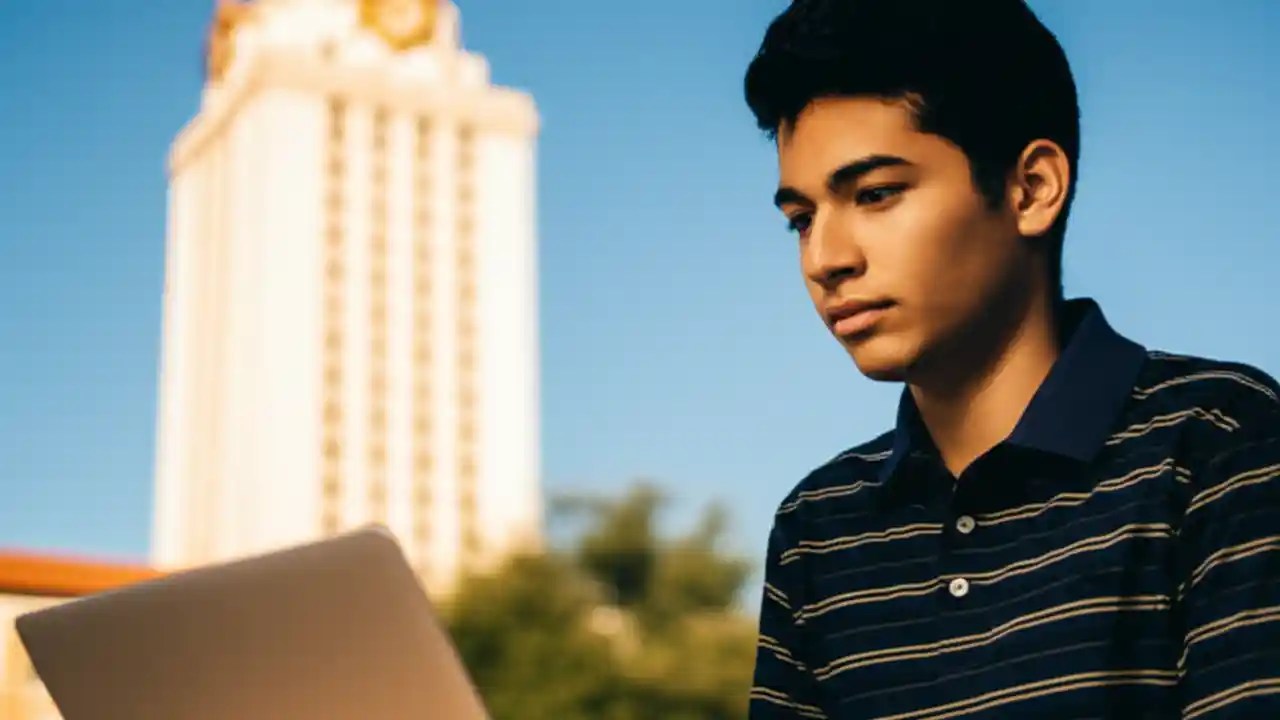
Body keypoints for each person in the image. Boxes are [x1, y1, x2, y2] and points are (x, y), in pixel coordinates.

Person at [741, 1, 1280, 718]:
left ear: (1032, 189)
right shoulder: (818, 528)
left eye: (875, 194)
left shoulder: (1218, 444)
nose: (826, 259)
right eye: (802, 220)